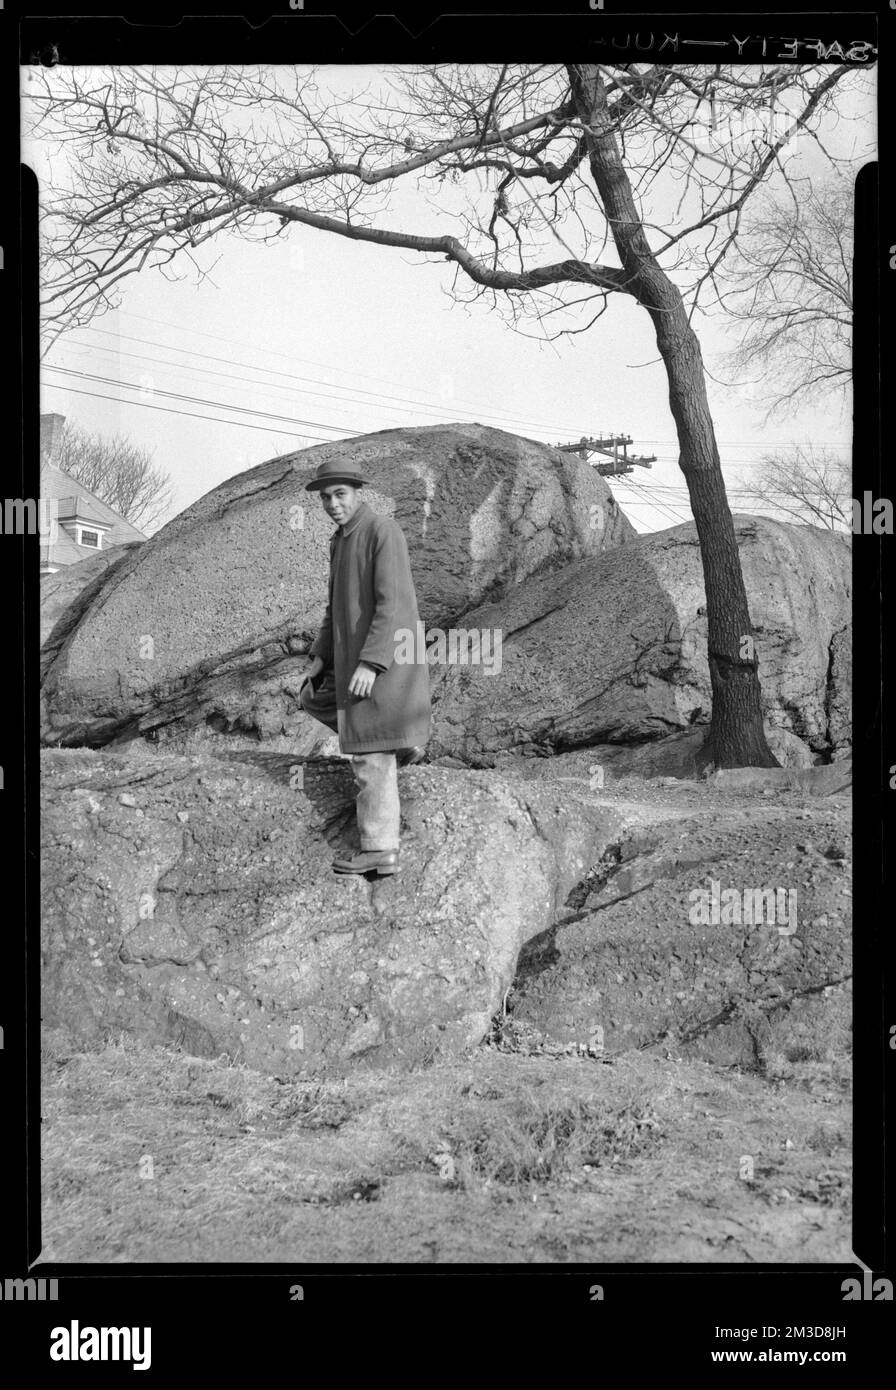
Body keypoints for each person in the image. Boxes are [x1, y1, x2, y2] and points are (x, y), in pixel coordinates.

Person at [299, 458, 431, 876]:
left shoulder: (381, 531)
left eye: (340, 495)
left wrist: (372, 664)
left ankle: (379, 849)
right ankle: (401, 742)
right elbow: (333, 608)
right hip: (348, 657)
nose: (332, 504)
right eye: (325, 497)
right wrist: (321, 654)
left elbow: (394, 605)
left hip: (382, 659)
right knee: (311, 696)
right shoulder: (339, 541)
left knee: (369, 756)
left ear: (358, 493)